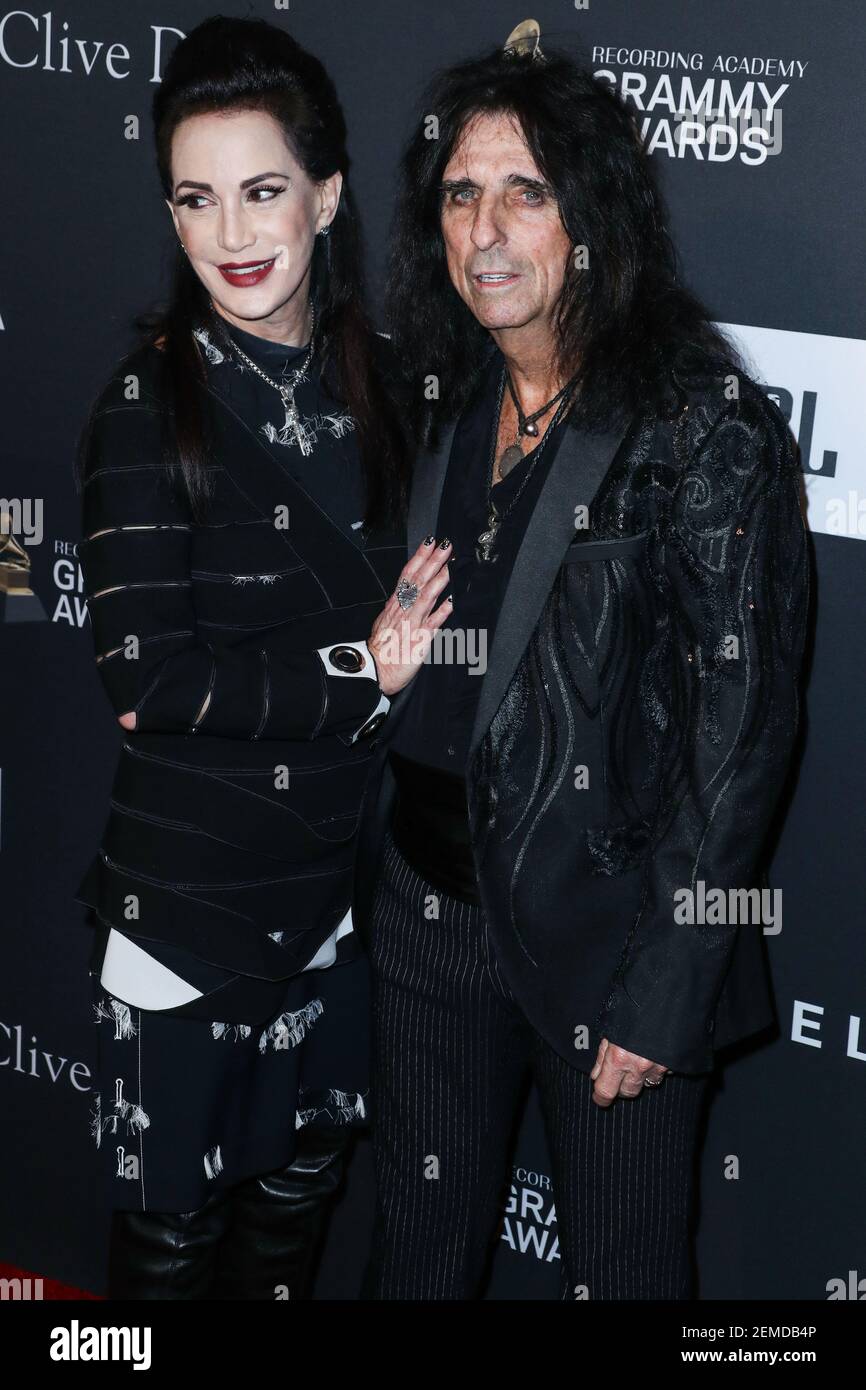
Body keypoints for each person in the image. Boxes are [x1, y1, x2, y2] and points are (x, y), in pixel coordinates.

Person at [357, 28, 811, 1300]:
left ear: (590, 219)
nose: (485, 230)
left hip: (603, 940)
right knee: (417, 1258)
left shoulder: (699, 429)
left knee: (619, 1276)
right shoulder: (447, 395)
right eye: (460, 194)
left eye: (526, 192)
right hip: (426, 916)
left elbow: (743, 736)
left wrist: (666, 993)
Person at [73, 15, 412, 1300]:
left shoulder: (390, 383)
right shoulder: (143, 408)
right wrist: (355, 674)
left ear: (324, 196)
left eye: (262, 190)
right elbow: (147, 682)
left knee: (295, 1207)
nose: (230, 234)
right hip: (188, 908)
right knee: (166, 1245)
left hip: (336, 901)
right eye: (195, 199)